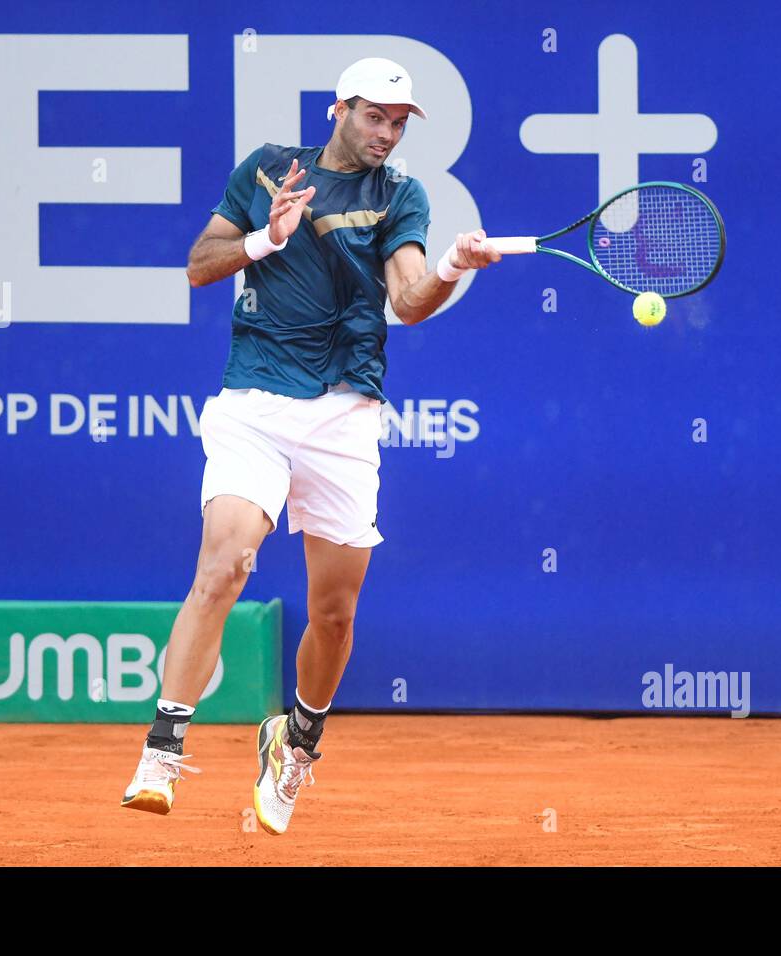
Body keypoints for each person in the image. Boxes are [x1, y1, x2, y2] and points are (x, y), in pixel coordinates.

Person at [120, 56, 500, 834]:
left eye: (399, 123)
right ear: (339, 110)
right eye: (375, 117)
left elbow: (408, 298)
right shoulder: (267, 170)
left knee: (333, 613)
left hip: (344, 414)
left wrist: (455, 266)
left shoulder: (401, 196)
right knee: (224, 563)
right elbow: (198, 267)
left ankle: (295, 745)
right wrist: (265, 239)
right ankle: (162, 750)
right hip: (254, 398)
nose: (387, 134)